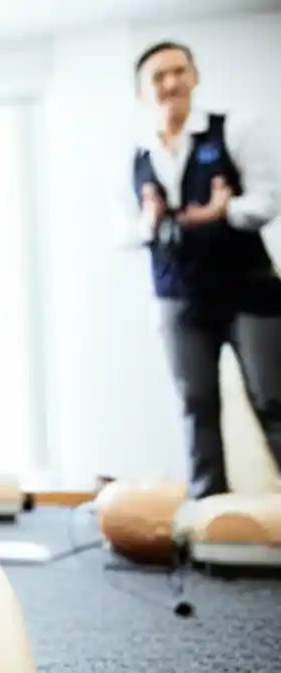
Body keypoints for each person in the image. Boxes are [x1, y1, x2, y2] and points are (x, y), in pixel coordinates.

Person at [127, 41, 280, 499]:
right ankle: (209, 518)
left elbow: (269, 200)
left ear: (194, 76)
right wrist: (148, 222)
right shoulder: (135, 156)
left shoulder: (233, 129)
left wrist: (225, 210)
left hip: (248, 291)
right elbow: (123, 229)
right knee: (196, 406)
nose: (170, 83)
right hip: (178, 296)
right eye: (158, 77)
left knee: (273, 399)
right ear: (142, 92)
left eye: (178, 72)